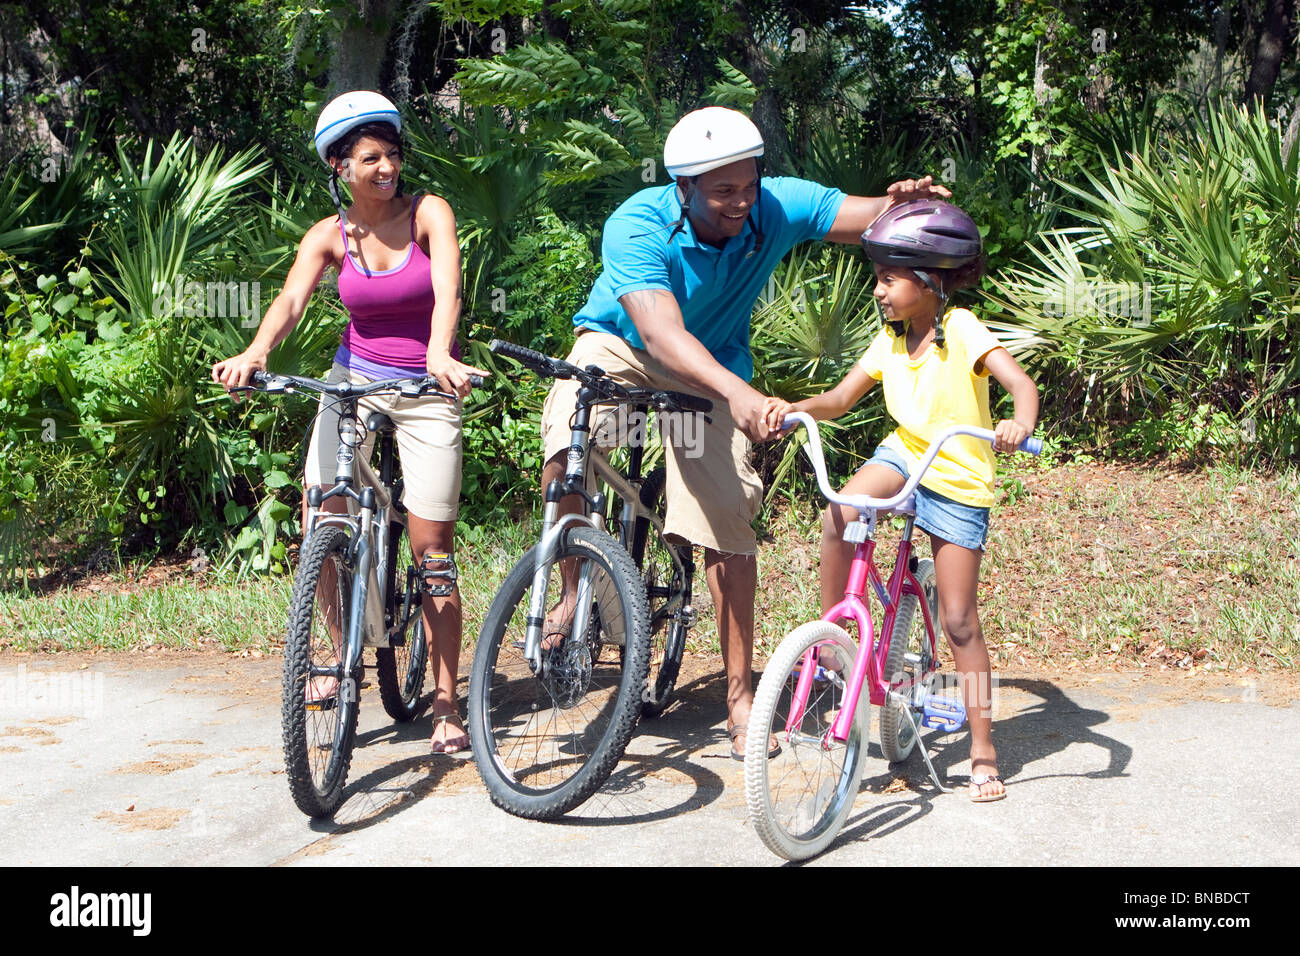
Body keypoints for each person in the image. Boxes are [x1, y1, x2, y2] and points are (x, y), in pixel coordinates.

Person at [538, 106, 950, 761]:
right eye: (721, 190)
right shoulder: (637, 224)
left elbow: (862, 216)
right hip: (626, 346)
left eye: (748, 185)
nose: (739, 202)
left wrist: (902, 205)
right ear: (684, 188)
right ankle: (568, 596)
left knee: (729, 520)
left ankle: (739, 698)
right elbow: (660, 334)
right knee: (568, 435)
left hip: (710, 372)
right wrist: (741, 394)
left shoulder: (775, 208)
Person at [212, 91, 486, 754]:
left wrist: (440, 352)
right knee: (322, 516)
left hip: (425, 379)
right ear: (340, 167)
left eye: (392, 153)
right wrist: (255, 353)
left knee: (433, 554)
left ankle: (446, 698)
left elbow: (448, 288)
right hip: (354, 377)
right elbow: (289, 300)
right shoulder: (328, 235)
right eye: (371, 157)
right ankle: (341, 656)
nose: (387, 166)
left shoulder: (429, 213)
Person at [762, 199, 1039, 801]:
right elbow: (838, 400)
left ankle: (984, 750)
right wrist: (792, 410)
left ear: (929, 281)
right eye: (878, 279)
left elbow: (1021, 385)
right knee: (841, 509)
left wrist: (1018, 423)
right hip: (905, 453)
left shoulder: (962, 329)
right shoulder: (888, 342)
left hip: (958, 470)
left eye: (890, 279)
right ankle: (834, 641)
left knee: (960, 620)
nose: (880, 291)